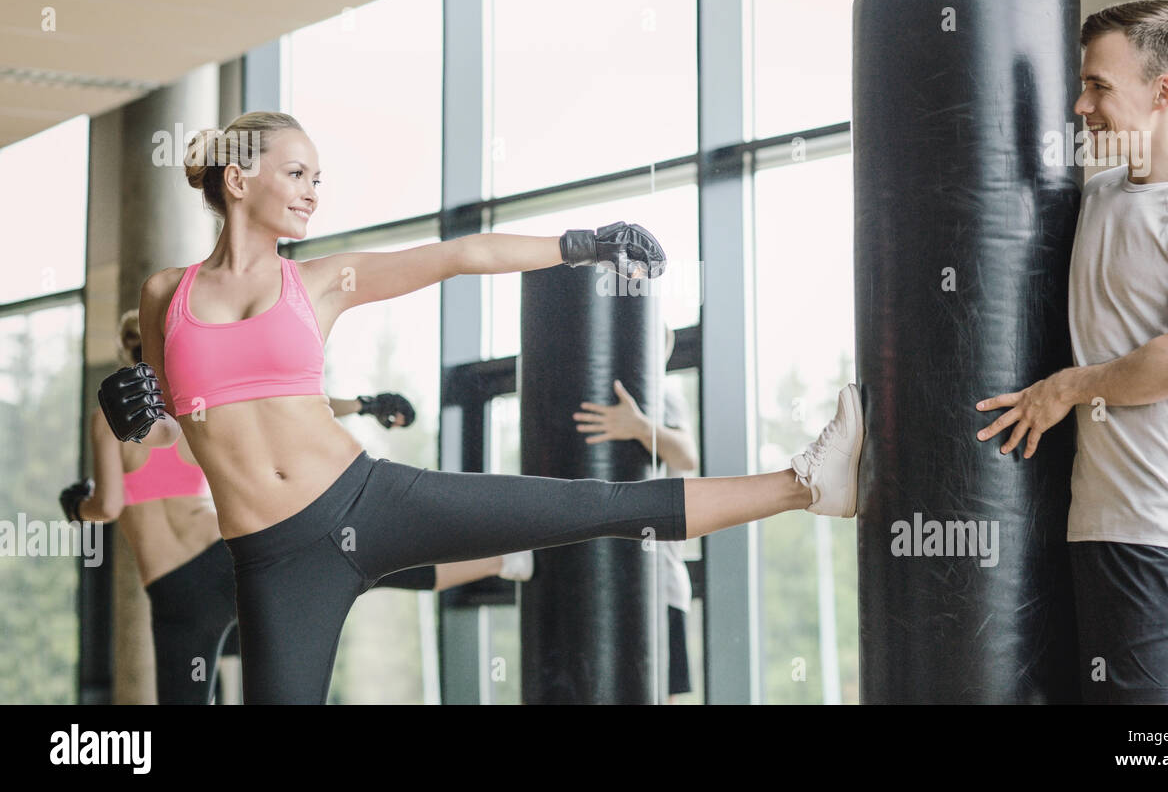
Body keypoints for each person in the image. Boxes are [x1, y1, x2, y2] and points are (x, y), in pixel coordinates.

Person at [97, 111, 863, 704]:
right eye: (297, 172)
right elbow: (188, 433)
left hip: (367, 496)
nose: (311, 191)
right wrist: (138, 404)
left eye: (318, 178)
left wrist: (583, 241)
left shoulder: (324, 280)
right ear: (238, 179)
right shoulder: (167, 295)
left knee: (595, 505)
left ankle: (807, 483)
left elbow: (460, 255)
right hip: (271, 560)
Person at [974, 0, 1168, 704]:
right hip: (1093, 520)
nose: (1081, 104)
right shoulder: (1098, 195)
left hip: (1165, 524)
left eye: (1100, 85)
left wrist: (1067, 388)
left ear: (1164, 92)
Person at [66, 309, 532, 704]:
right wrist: (367, 404)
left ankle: (502, 556)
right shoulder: (193, 406)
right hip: (222, 560)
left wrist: (77, 507)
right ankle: (502, 557)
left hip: (173, 594)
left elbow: (106, 507)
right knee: (359, 567)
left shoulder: (107, 422)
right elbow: (281, 408)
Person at [572, 322, 699, 702]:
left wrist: (640, 427)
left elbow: (687, 456)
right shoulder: (591, 388)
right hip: (594, 578)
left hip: (658, 584)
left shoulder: (663, 394)